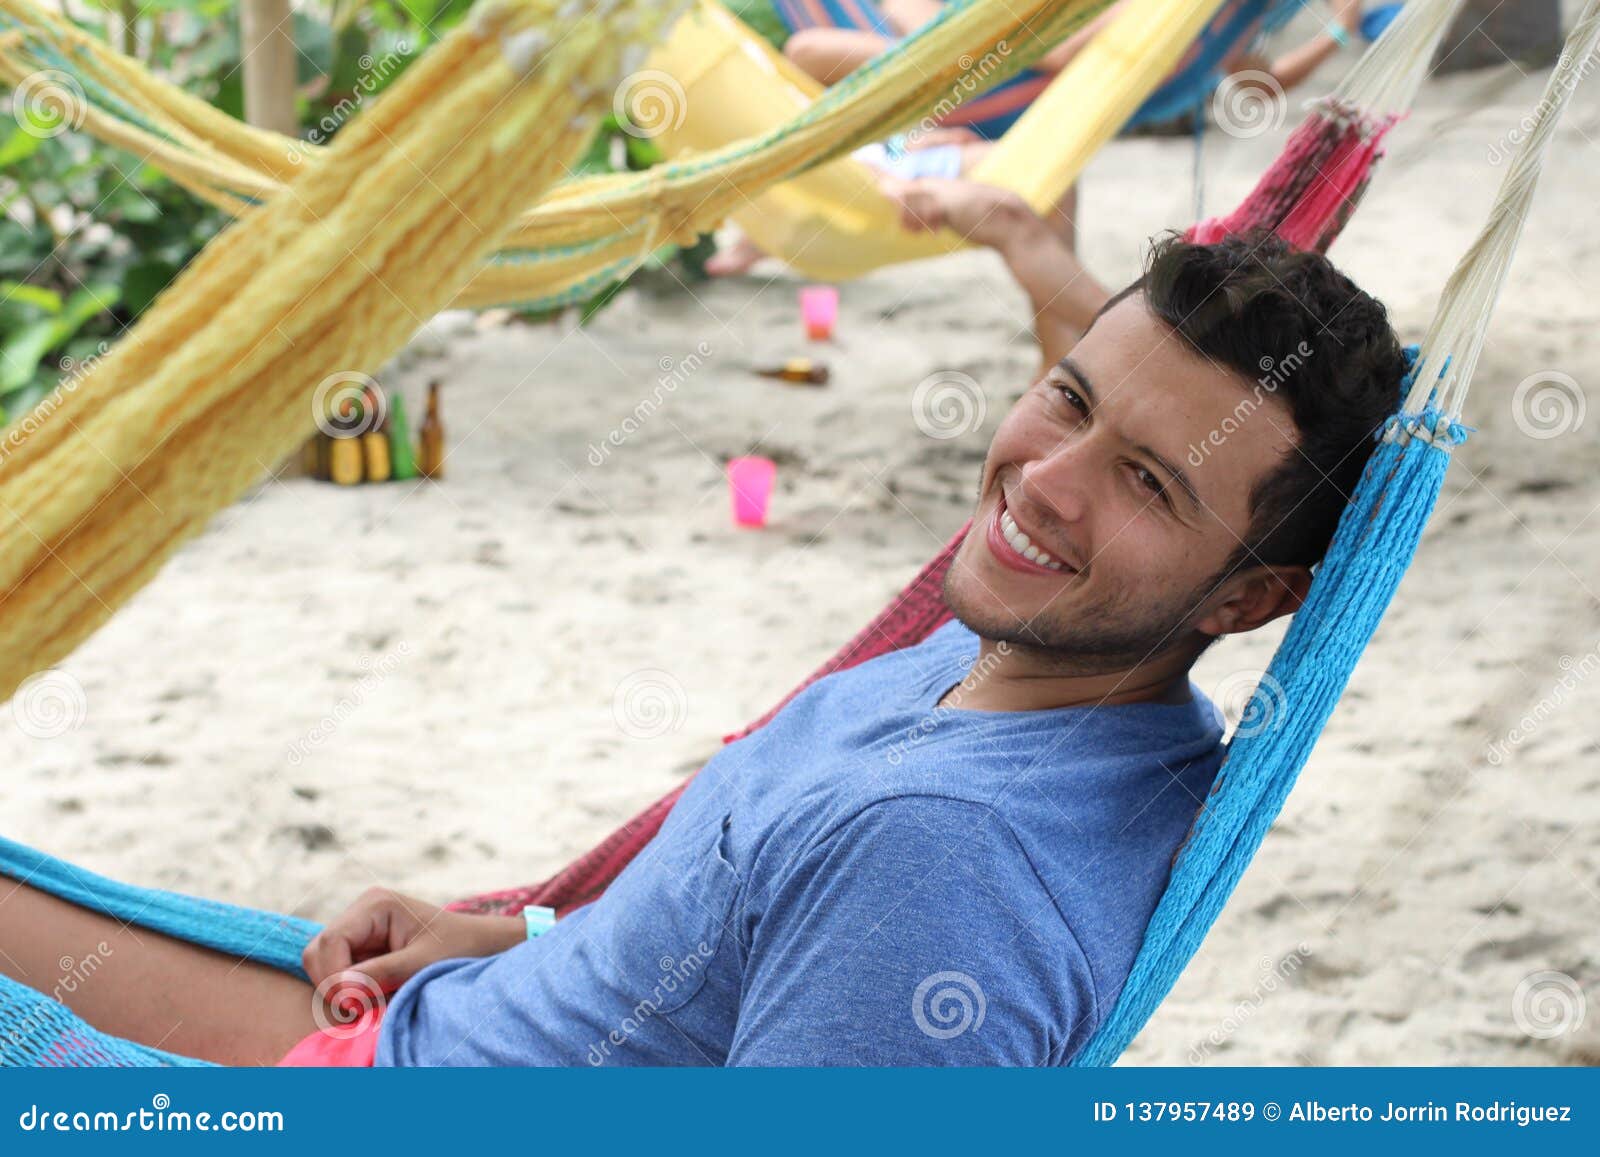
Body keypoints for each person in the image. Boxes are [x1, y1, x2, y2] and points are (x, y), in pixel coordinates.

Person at [0, 231, 1407, 1066]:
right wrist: (517, 936)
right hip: (415, 1019)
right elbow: (741, 942)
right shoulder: (1021, 676)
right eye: (1067, 398)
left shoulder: (948, 866)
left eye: (1149, 482)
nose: (1044, 479)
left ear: (1245, 598)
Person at [706, 0, 1367, 277]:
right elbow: (1050, 50)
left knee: (813, 48)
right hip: (985, 73)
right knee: (814, 46)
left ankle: (784, 205)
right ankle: (780, 203)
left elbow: (1258, 84)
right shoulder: (1176, 21)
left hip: (1005, 89)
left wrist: (1337, 32)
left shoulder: (1196, 22)